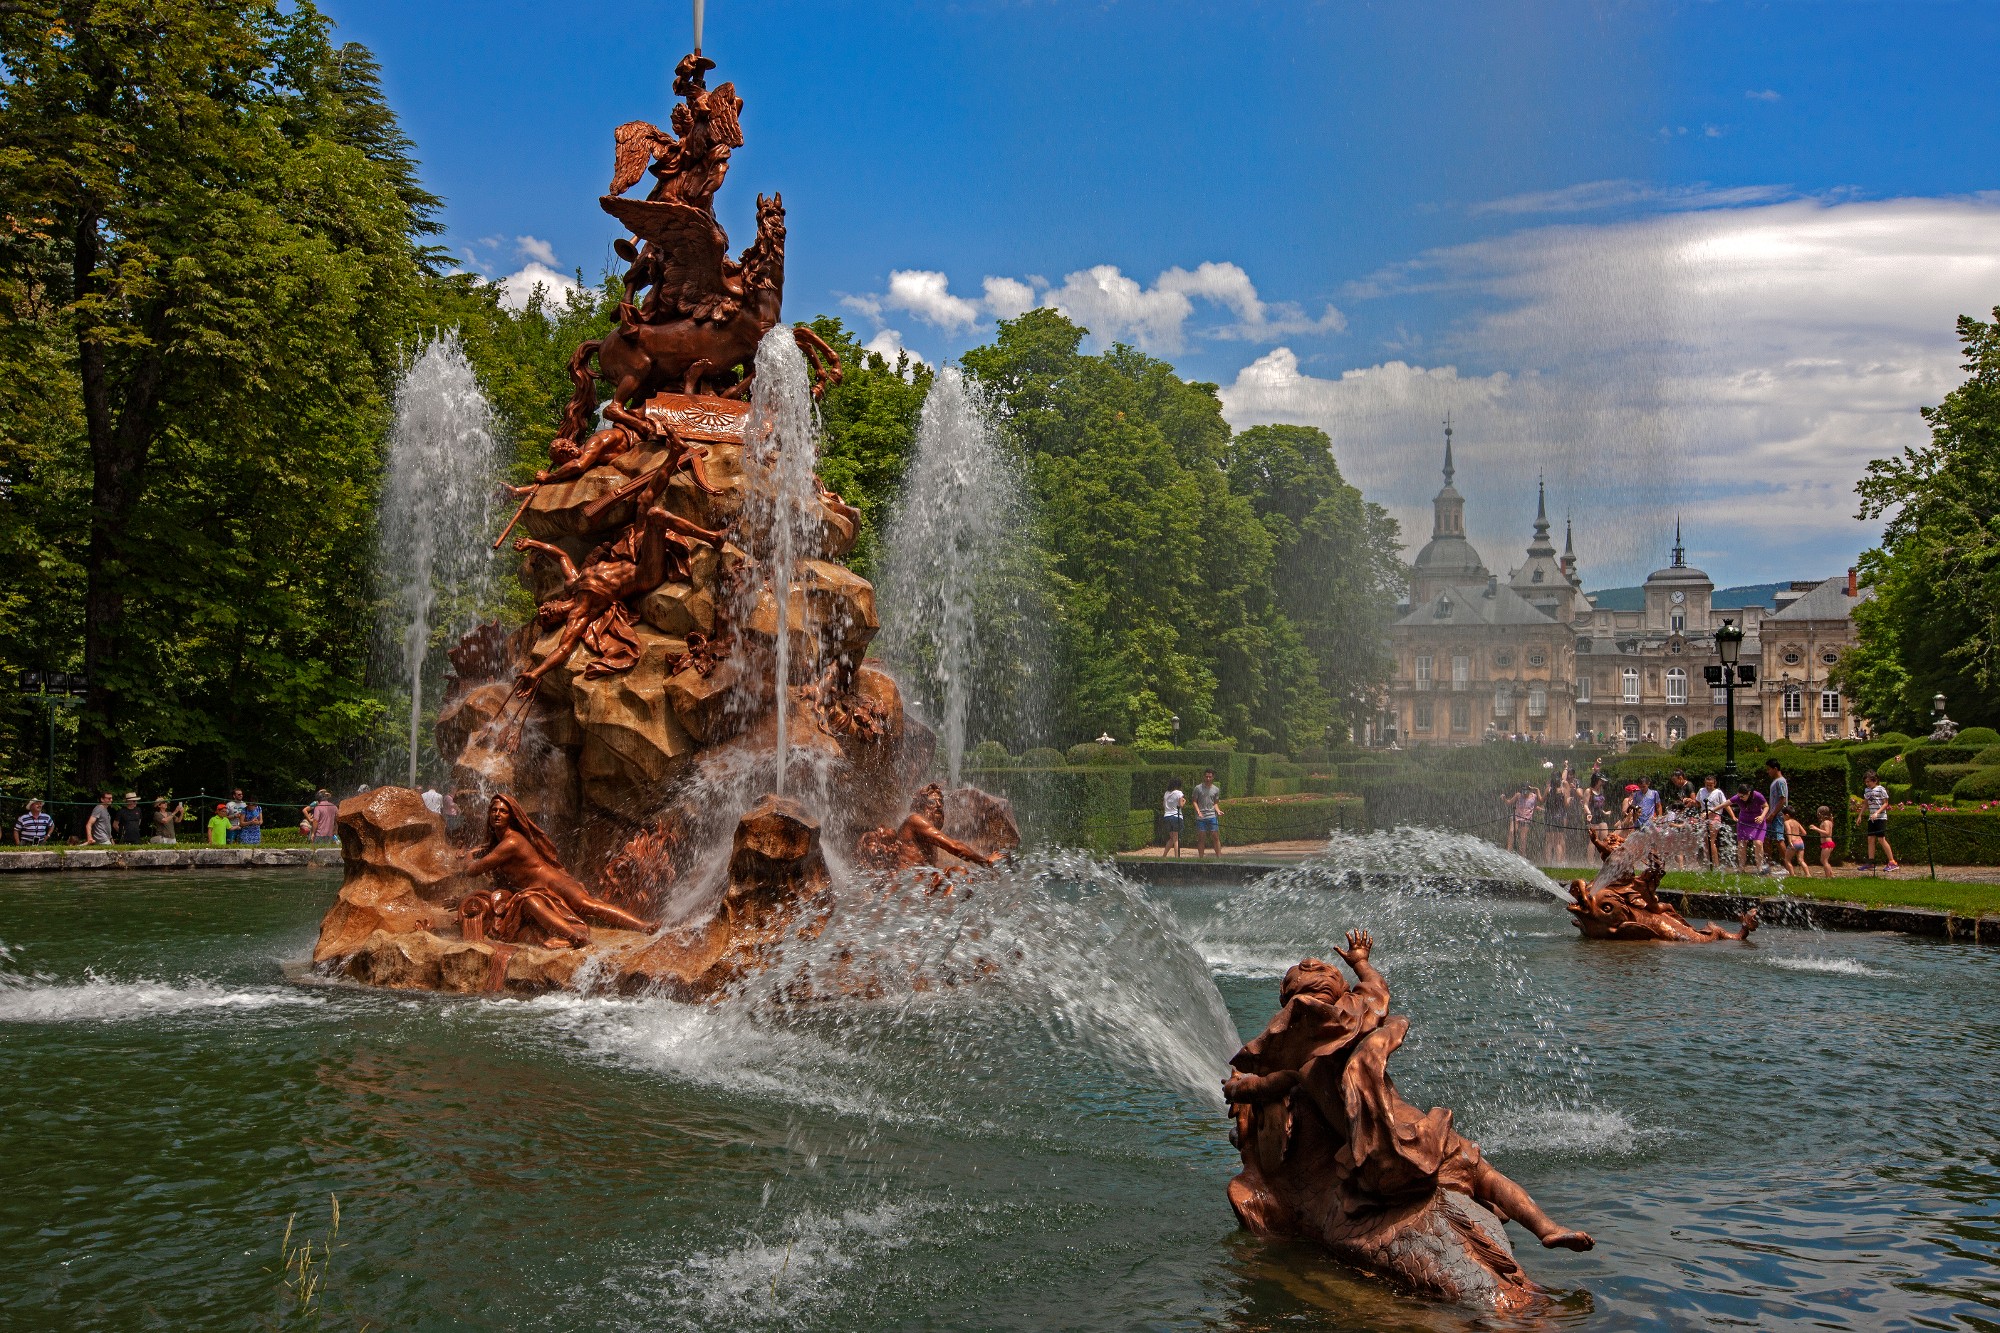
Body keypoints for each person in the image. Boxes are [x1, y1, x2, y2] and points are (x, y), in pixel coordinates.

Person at [1860, 770, 1898, 873]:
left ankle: (1892, 862)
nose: (1867, 783)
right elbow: (1865, 804)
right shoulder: (1867, 790)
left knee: (1881, 839)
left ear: (1875, 780)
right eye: (1866, 782)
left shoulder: (1881, 789)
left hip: (1880, 818)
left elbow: (1886, 803)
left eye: (1869, 781)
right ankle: (1871, 862)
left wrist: (1877, 812)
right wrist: (1860, 815)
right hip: (1871, 818)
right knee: (1870, 839)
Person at [1731, 783, 1767, 872]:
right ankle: (1741, 868)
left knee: (1758, 843)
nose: (1740, 798)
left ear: (1749, 793)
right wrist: (1710, 811)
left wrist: (1762, 817)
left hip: (1757, 821)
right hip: (1743, 822)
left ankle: (1759, 868)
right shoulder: (1738, 797)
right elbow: (1725, 804)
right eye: (1739, 796)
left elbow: (1766, 806)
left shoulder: (1758, 796)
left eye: (1742, 796)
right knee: (1741, 844)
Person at [1762, 758, 1789, 876]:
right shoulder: (1775, 781)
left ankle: (1787, 866)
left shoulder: (1780, 782)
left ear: (1775, 769)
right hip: (1772, 815)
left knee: (1779, 839)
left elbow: (1783, 799)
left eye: (1769, 769)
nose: (1768, 772)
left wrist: (1773, 814)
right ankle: (1768, 865)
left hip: (1777, 815)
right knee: (1767, 839)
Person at [1190, 769, 1223, 857]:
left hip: (1212, 815)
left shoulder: (1216, 789)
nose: (1208, 778)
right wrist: (1198, 811)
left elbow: (1215, 803)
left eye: (1210, 777)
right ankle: (1201, 858)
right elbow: (1194, 801)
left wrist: (1218, 810)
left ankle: (1219, 858)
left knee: (1215, 837)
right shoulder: (1198, 788)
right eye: (1206, 776)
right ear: (1204, 777)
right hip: (1201, 816)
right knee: (1201, 838)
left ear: (1213, 777)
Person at [1699, 775, 1728, 865]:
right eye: (1707, 785)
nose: (1708, 787)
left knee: (1711, 840)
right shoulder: (1701, 791)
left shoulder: (1718, 792)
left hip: (1715, 817)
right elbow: (1698, 803)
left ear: (1715, 784)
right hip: (1704, 817)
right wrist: (1691, 802)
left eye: (1711, 785)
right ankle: (1708, 862)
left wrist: (1733, 816)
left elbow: (1725, 804)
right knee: (1705, 841)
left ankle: (1716, 864)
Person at [1508, 785, 1538, 856]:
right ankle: (1508, 851)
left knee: (1523, 838)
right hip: (1517, 817)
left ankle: (1522, 855)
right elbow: (1509, 802)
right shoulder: (1518, 795)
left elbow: (1535, 806)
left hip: (1526, 819)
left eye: (1526, 790)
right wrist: (1504, 799)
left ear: (1529, 790)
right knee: (1512, 831)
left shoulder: (1534, 797)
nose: (1524, 792)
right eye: (1523, 790)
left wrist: (1541, 809)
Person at [1160, 779, 1186, 858]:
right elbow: (1181, 805)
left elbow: (1164, 805)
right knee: (1176, 839)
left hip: (1167, 816)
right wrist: (1184, 801)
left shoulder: (1166, 793)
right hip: (1176, 816)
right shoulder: (1179, 793)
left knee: (1172, 838)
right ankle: (1177, 857)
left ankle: (1164, 855)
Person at [1811, 805, 1836, 878]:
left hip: (1827, 843)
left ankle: (1828, 876)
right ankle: (1831, 875)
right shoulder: (1829, 822)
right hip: (1828, 843)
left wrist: (1816, 828)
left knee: (1824, 861)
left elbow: (1827, 833)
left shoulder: (1825, 822)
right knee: (1824, 860)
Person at [1780, 810, 1806, 875]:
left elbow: (1788, 831)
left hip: (1793, 842)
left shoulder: (1786, 822)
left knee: (1787, 860)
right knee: (1801, 860)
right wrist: (1797, 833)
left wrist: (1790, 841)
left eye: (1783, 815)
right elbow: (1804, 833)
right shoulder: (1797, 822)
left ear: (1787, 815)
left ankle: (1792, 875)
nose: (1782, 816)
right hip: (1800, 842)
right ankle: (1808, 874)